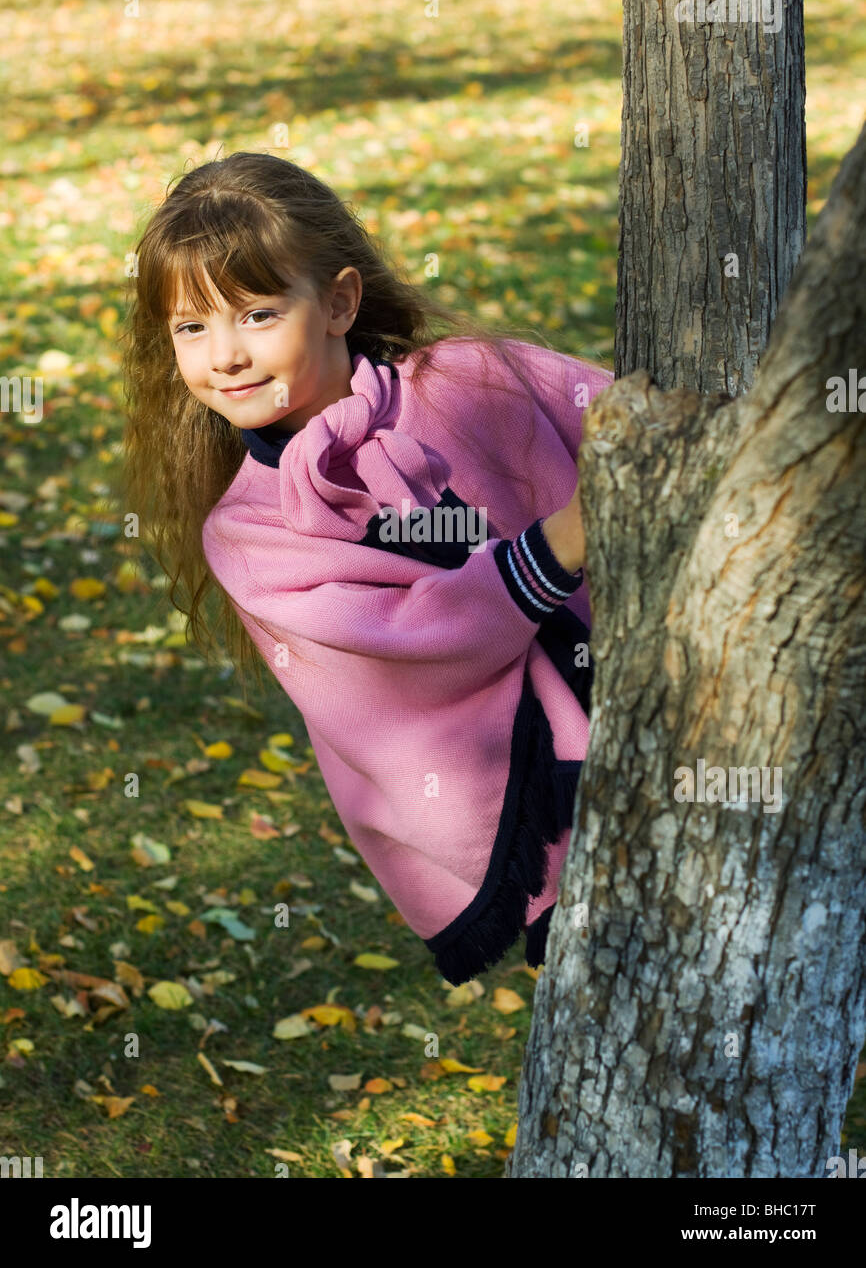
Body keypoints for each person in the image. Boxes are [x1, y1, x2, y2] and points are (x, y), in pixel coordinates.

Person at [121, 151, 614, 985]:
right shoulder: (250, 531)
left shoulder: (472, 380)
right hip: (552, 795)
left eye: (258, 314)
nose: (226, 355)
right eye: (192, 328)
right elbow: (401, 656)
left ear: (340, 301)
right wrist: (561, 543)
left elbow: (632, 413)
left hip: (675, 694)